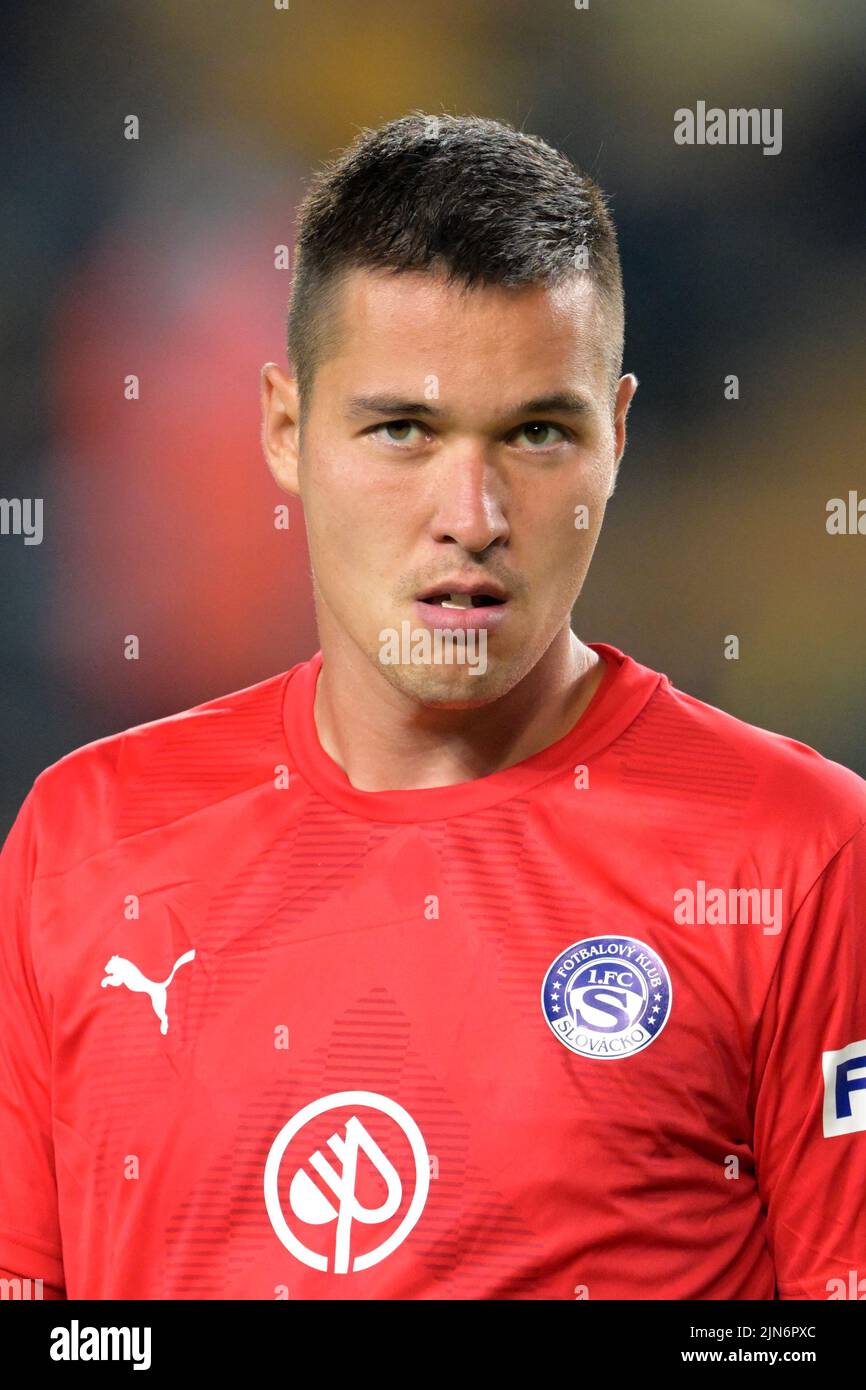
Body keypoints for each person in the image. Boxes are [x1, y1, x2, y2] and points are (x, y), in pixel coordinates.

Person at [1, 112, 864, 1301]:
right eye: (401, 429)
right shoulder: (86, 839)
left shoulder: (800, 855)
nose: (472, 511)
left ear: (614, 437)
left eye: (535, 432)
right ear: (287, 430)